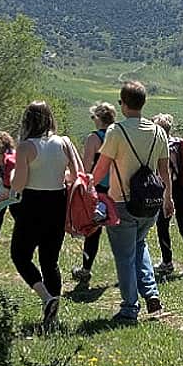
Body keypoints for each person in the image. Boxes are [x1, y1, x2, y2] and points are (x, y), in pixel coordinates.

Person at [89, 81, 174, 323]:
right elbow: (164, 171)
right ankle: (152, 293)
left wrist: (88, 187)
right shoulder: (158, 132)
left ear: (124, 104)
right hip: (151, 202)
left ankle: (129, 308)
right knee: (140, 245)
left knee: (124, 255)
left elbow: (102, 167)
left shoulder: (117, 131)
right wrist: (168, 199)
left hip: (122, 202)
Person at [8, 101, 82, 330]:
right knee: (50, 261)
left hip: (32, 204)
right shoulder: (64, 142)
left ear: (28, 120)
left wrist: (11, 179)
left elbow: (19, 184)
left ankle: (46, 298)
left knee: (20, 255)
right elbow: (77, 174)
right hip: (57, 203)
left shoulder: (26, 147)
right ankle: (53, 315)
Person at [71, 102, 116, 282]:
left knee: (93, 231)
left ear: (98, 118)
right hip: (117, 188)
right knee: (119, 229)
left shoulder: (94, 138)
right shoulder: (118, 136)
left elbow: (86, 166)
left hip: (98, 189)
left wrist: (81, 187)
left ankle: (86, 269)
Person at [152, 113, 183, 278]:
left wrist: (167, 196)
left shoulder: (165, 147)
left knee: (162, 225)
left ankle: (167, 262)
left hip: (171, 190)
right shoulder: (178, 143)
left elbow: (169, 174)